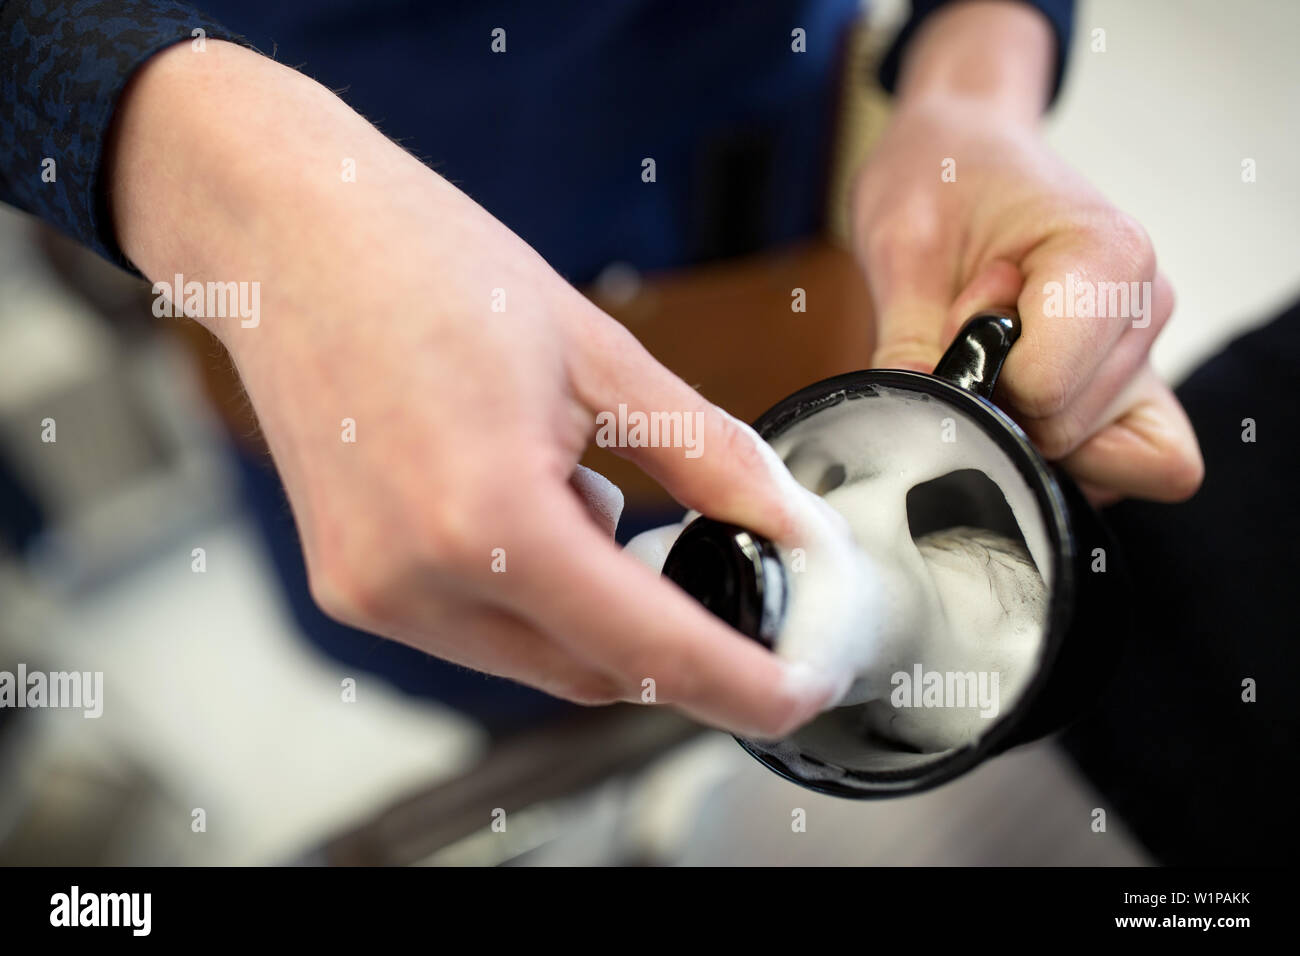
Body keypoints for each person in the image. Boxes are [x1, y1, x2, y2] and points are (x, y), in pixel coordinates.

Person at [1, 0, 1202, 740]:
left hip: (738, 171)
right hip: (303, 279)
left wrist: (971, 87)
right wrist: (205, 173)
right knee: (483, 637)